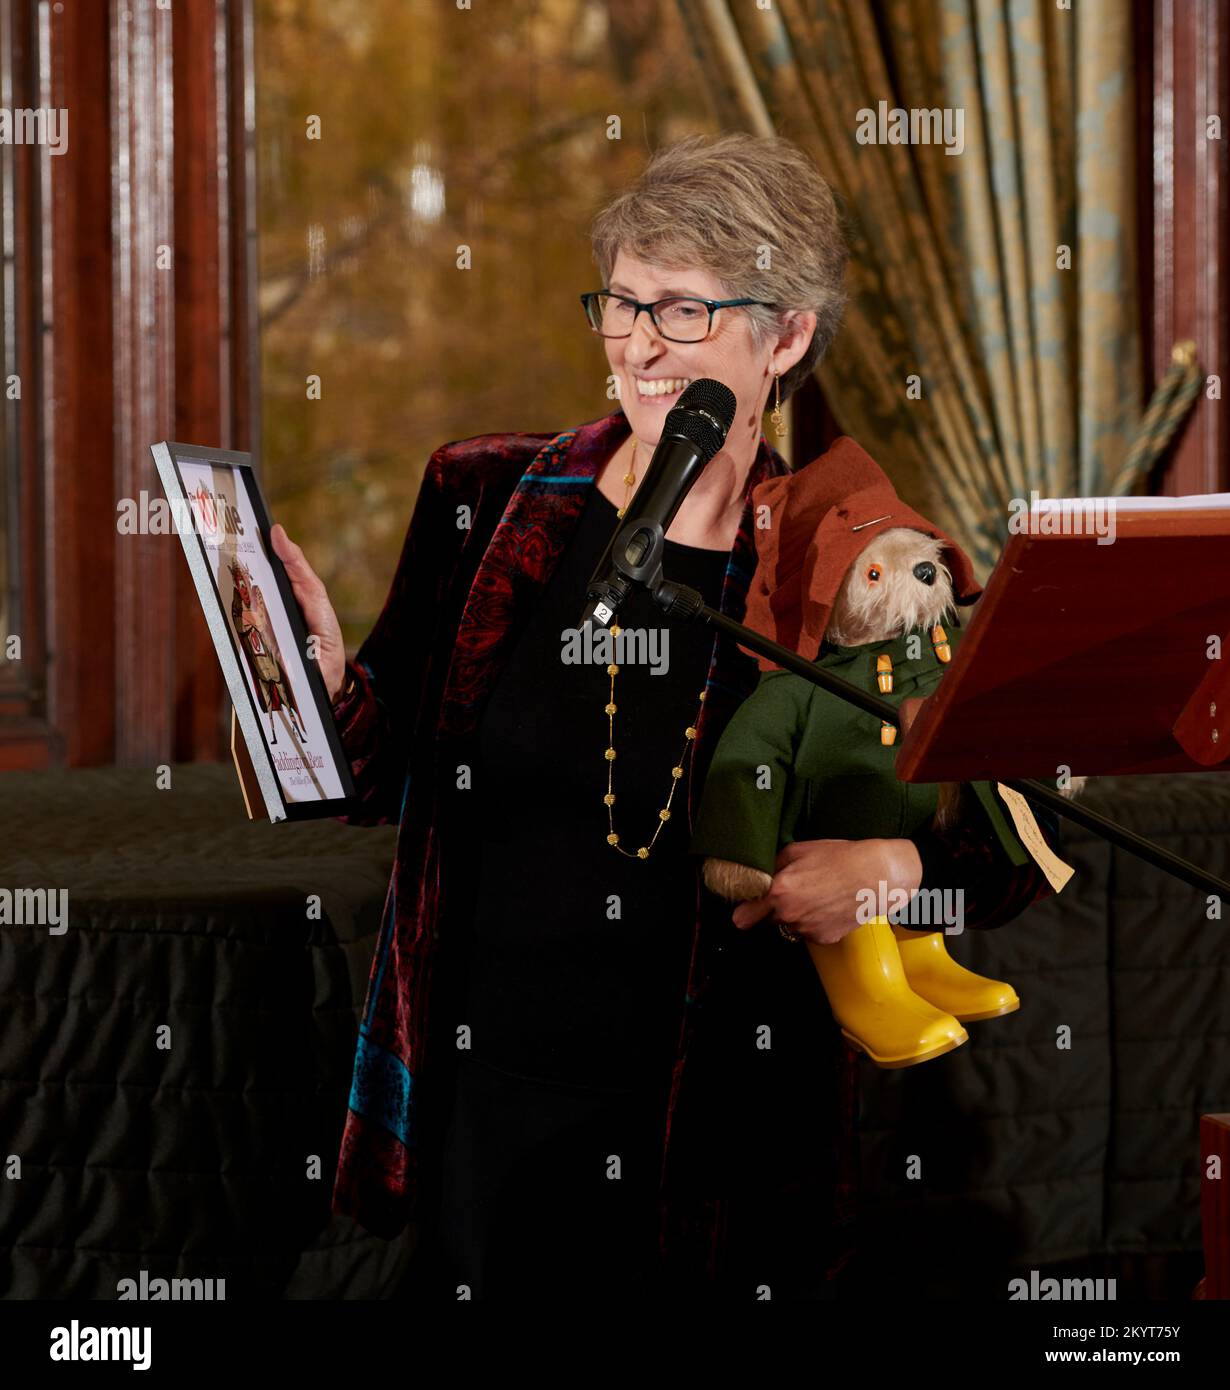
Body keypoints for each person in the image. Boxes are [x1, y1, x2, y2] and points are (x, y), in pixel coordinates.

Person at [271, 132, 1060, 1301]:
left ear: (785, 335)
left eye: (683, 311)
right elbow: (376, 770)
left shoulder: (854, 559)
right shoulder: (488, 500)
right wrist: (321, 679)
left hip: (727, 1133)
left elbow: (1015, 833)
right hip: (494, 1107)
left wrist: (892, 860)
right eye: (621, 302)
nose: (638, 345)